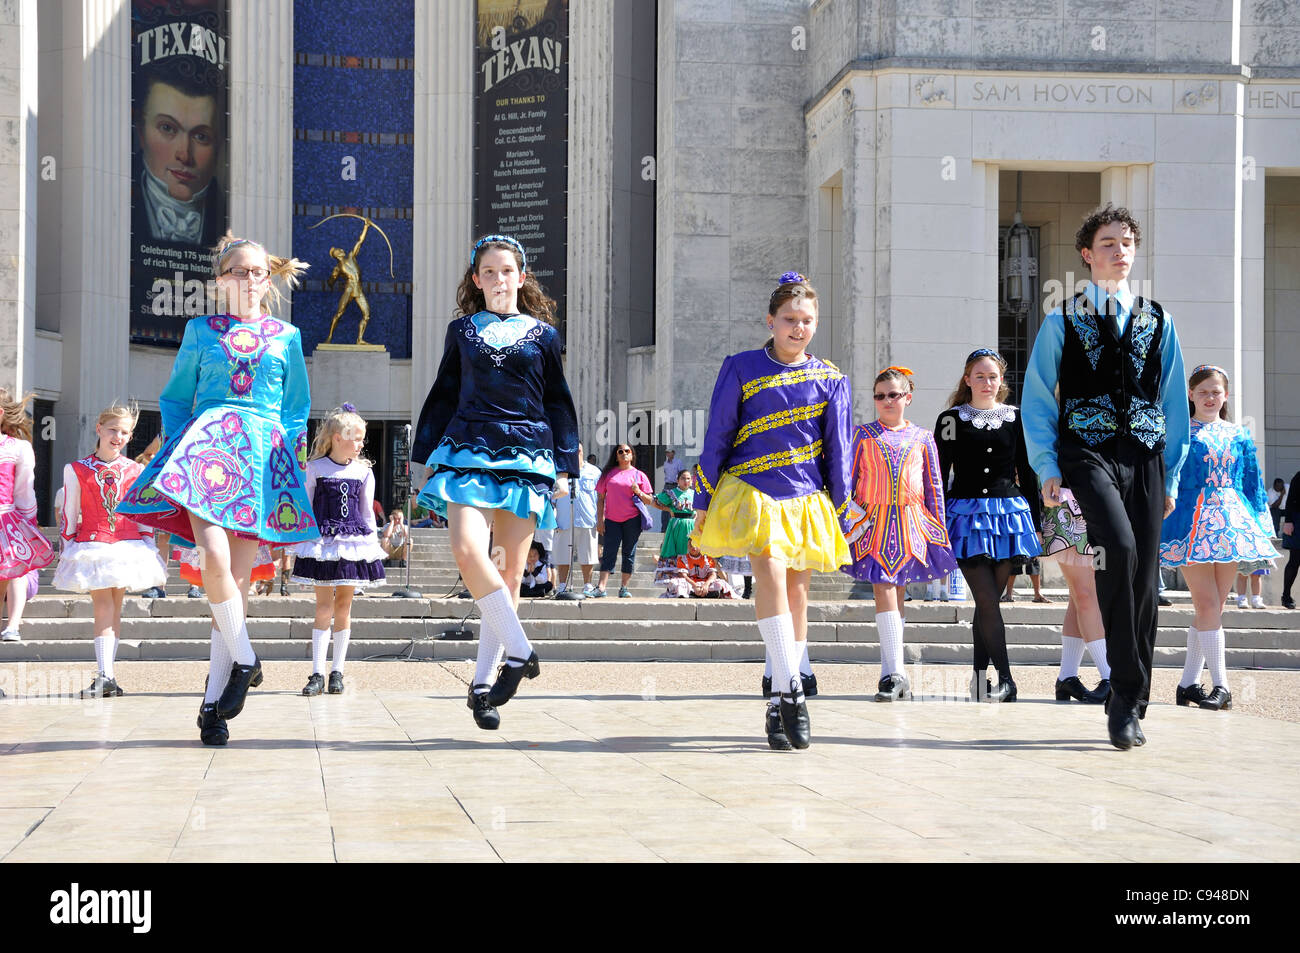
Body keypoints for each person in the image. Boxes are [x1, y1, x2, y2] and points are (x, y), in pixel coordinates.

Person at [117, 233, 316, 746]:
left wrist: (288, 462)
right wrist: (183, 446)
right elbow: (176, 396)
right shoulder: (200, 330)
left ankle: (214, 706)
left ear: (267, 280)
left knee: (238, 586)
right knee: (212, 557)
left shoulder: (287, 335)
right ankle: (247, 661)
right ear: (221, 280)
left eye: (255, 272)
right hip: (206, 452)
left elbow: (295, 408)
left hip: (260, 457)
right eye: (237, 271)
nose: (248, 279)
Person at [1022, 204, 1190, 750]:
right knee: (1117, 548)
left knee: (1143, 579)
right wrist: (1046, 465)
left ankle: (1133, 698)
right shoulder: (1061, 320)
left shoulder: (1158, 320)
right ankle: (1121, 691)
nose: (1120, 251)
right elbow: (1038, 399)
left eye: (1127, 243)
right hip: (1086, 453)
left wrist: (1173, 474)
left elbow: (1172, 403)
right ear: (1087, 254)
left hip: (1145, 457)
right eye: (1109, 242)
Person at [411, 234, 579, 730]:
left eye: (507, 271)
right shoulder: (461, 332)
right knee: (467, 551)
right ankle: (521, 652)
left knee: (507, 576)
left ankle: (482, 686)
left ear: (521, 278)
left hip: (527, 456)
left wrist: (566, 467)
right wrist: (422, 456)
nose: (498, 279)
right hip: (466, 448)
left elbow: (557, 400)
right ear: (476, 279)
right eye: (489, 271)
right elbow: (443, 392)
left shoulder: (545, 336)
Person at [693, 272, 853, 751]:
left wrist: (843, 511)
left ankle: (777, 699)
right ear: (771, 320)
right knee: (769, 578)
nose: (798, 329)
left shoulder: (831, 379)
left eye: (807, 321)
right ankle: (791, 693)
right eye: (789, 320)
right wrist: (702, 500)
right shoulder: (740, 367)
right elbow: (718, 434)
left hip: (806, 497)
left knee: (799, 595)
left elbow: (838, 452)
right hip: (753, 492)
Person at [1160, 366, 1280, 712]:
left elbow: (1252, 484)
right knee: (1207, 606)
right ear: (1191, 395)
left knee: (1214, 608)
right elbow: (1170, 480)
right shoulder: (1180, 434)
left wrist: (1261, 525)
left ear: (1226, 396)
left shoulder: (1239, 434)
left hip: (1231, 523)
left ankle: (1187, 684)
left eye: (1216, 392)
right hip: (1192, 523)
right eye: (1203, 392)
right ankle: (1222, 685)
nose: (1210, 398)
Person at [842, 366, 957, 702]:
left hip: (910, 521)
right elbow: (848, 482)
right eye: (880, 396)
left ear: (908, 396)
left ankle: (893, 671)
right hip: (874, 522)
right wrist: (847, 522)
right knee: (884, 589)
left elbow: (934, 484)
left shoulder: (922, 437)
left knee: (898, 593)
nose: (887, 401)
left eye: (893, 394)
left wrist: (938, 529)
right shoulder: (861, 435)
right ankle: (893, 672)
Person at [936, 349, 1041, 704]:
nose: (986, 382)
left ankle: (979, 678)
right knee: (985, 598)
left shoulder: (1017, 418)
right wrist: (934, 518)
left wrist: (1037, 523)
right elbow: (939, 472)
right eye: (978, 376)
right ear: (967, 380)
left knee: (989, 603)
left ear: (1001, 381)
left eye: (992, 376)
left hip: (1008, 515)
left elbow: (1027, 473)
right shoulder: (950, 419)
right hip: (964, 515)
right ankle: (1008, 679)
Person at [51, 403, 167, 697]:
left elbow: (142, 515)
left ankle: (107, 675)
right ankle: (106, 674)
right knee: (105, 606)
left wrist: (148, 544)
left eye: (125, 432)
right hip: (93, 544)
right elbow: (69, 513)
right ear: (99, 428)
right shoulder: (76, 469)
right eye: (113, 429)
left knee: (114, 608)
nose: (118, 436)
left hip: (128, 545)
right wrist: (67, 547)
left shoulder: (136, 469)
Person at [290, 404, 387, 696]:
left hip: (353, 544)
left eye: (362, 439)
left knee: (344, 606)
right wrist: (298, 542)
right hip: (323, 544)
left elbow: (366, 512)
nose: (360, 444)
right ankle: (317, 672)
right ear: (336, 437)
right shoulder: (315, 468)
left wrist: (372, 545)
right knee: (323, 606)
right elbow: (305, 506)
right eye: (355, 438)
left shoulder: (363, 471)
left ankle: (337, 672)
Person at [134, 65, 226, 246]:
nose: (184, 155)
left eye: (201, 136)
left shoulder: (227, 216)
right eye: (167, 128)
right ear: (141, 133)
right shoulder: (118, 202)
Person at [1039, 479, 1111, 703]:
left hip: (1102, 507)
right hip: (1067, 506)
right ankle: (1110, 677)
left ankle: (1066, 677)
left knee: (1080, 596)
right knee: (1085, 594)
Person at [0, 388, 56, 643]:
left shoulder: (17, 448)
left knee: (15, 571)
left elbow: (24, 489)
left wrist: (28, 524)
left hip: (7, 519)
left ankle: (12, 625)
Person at [593, 443, 654, 598]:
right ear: (616, 455)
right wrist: (600, 520)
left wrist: (638, 491)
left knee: (629, 553)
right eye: (621, 451)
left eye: (627, 451)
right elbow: (600, 499)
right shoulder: (608, 474)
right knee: (608, 553)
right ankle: (601, 587)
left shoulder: (639, 475)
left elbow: (649, 500)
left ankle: (624, 588)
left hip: (632, 520)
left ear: (632, 455)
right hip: (612, 520)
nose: (624, 453)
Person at [552, 442, 599, 594]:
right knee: (562, 553)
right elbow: (551, 498)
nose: (576, 453)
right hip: (564, 519)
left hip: (586, 518)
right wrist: (553, 519)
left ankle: (587, 585)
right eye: (573, 451)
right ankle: (562, 585)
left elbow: (601, 498)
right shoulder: (560, 471)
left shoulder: (594, 472)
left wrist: (601, 519)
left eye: (579, 451)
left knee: (588, 554)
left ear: (583, 452)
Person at [649, 469, 696, 590]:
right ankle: (674, 585)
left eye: (688, 479)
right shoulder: (672, 493)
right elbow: (655, 501)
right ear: (677, 480)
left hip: (691, 526)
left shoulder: (695, 494)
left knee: (690, 552)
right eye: (683, 478)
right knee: (674, 552)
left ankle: (690, 585)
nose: (686, 481)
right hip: (676, 525)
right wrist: (668, 509)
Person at [662, 541, 736, 599]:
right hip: (690, 584)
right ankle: (690, 595)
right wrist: (694, 585)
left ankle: (704, 593)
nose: (693, 547)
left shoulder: (707, 558)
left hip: (704, 584)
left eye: (696, 545)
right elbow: (683, 575)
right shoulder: (682, 558)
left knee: (721, 583)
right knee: (676, 582)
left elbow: (713, 574)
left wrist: (706, 585)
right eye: (691, 545)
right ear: (687, 546)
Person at [1282, 472, 1300, 610]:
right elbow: (1290, 500)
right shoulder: (1299, 476)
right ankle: (1286, 596)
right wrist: (1288, 521)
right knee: (1295, 560)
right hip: (1297, 520)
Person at [660, 449, 685, 531]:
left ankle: (674, 528)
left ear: (673, 453)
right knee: (663, 506)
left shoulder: (678, 462)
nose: (667, 454)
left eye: (669, 452)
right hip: (667, 485)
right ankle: (664, 529)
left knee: (675, 507)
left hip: (675, 486)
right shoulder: (665, 463)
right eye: (666, 452)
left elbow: (682, 474)